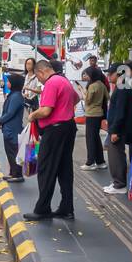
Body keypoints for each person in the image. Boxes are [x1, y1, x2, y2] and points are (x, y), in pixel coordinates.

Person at [24, 58, 78, 221]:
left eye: (38, 77)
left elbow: (46, 111)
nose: (39, 80)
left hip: (54, 131)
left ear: (42, 71)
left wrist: (33, 115)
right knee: (64, 169)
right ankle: (66, 208)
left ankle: (42, 209)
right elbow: (76, 98)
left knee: (46, 169)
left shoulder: (51, 83)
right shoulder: (64, 81)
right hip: (68, 127)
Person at [103, 65, 132, 194]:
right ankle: (117, 182)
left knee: (116, 156)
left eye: (110, 74)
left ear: (118, 74)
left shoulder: (123, 89)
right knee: (115, 155)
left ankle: (119, 184)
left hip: (118, 129)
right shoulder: (121, 88)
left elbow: (120, 113)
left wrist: (115, 131)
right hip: (116, 127)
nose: (108, 76)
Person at [0, 72, 27, 183]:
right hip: (9, 129)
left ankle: (18, 175)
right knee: (10, 152)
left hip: (12, 130)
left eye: (9, 81)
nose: (7, 83)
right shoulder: (13, 95)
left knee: (14, 152)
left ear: (14, 83)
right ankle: (13, 173)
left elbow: (10, 113)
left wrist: (0, 121)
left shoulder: (16, 97)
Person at [80, 65, 109, 171]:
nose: (85, 76)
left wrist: (83, 91)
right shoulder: (102, 84)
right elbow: (107, 97)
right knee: (96, 138)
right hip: (99, 113)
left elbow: (87, 100)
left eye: (86, 74)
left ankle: (90, 162)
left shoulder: (92, 86)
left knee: (90, 138)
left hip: (91, 114)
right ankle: (100, 161)